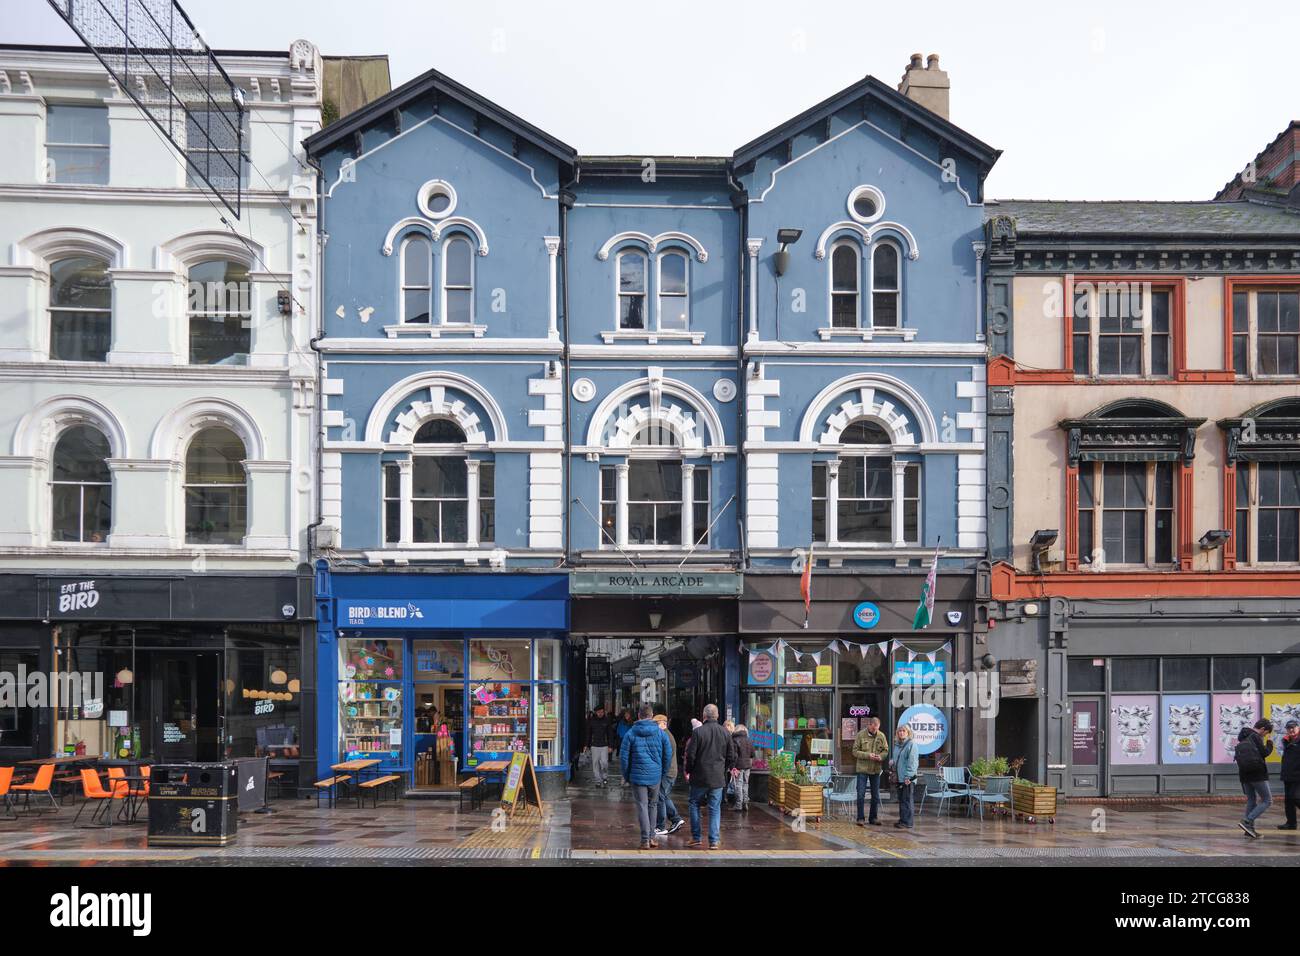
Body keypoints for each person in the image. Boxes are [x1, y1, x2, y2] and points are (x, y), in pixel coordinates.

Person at [620, 703, 672, 849]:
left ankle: (645, 840)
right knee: (653, 805)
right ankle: (652, 837)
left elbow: (624, 758)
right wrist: (662, 772)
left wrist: (627, 775)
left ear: (638, 716)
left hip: (637, 777)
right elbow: (668, 755)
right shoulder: (661, 733)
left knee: (642, 806)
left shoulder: (630, 733)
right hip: (655, 775)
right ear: (652, 716)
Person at [683, 703, 734, 849]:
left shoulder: (698, 732)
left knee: (694, 804)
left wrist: (689, 770)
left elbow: (691, 756)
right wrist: (724, 769)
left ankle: (696, 837)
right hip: (717, 778)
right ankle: (713, 841)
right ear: (717, 716)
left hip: (699, 777)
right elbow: (731, 756)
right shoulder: (725, 732)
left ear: (704, 716)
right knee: (714, 808)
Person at [1235, 717, 1274, 838]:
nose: (1265, 735)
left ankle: (1248, 829)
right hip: (1257, 773)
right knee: (1267, 800)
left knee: (1252, 799)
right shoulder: (1255, 736)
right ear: (1263, 729)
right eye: (1266, 733)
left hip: (1244, 773)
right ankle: (1247, 821)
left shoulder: (1243, 736)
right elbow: (1265, 753)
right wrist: (1269, 743)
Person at [852, 715, 889, 826]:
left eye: (877, 728)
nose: (875, 731)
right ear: (869, 725)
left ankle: (873, 818)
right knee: (860, 794)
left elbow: (885, 751)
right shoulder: (860, 735)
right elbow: (854, 751)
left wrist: (881, 757)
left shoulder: (881, 736)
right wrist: (868, 755)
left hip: (875, 769)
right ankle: (860, 818)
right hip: (862, 769)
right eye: (873, 728)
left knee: (876, 795)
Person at [653, 713, 686, 836]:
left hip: (667, 772)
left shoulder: (665, 736)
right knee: (664, 796)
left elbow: (664, 756)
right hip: (670, 771)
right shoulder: (666, 735)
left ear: (663, 723)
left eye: (656, 724)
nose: (655, 726)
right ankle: (676, 819)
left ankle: (661, 826)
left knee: (660, 797)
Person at [890, 724, 918, 830]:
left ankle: (908, 822)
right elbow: (897, 758)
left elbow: (913, 762)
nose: (901, 733)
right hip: (899, 777)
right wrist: (893, 761)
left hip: (907, 778)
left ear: (908, 732)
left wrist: (908, 777)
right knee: (901, 799)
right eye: (899, 731)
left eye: (903, 731)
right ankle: (902, 820)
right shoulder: (898, 745)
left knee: (907, 800)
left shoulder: (911, 745)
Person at [583, 702, 615, 787]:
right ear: (596, 712)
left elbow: (610, 734)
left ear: (604, 712)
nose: (600, 713)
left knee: (604, 763)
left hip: (604, 745)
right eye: (599, 712)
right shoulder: (591, 721)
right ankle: (598, 780)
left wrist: (611, 746)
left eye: (602, 711)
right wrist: (586, 745)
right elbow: (588, 734)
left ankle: (604, 777)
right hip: (594, 745)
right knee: (595, 763)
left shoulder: (607, 721)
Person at [1278, 719, 1300, 831]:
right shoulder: (1286, 741)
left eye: (1293, 727)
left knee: (1295, 797)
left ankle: (1291, 823)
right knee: (1288, 801)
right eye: (1289, 728)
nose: (1291, 730)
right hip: (1288, 775)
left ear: (1298, 727)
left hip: (1298, 775)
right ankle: (1291, 823)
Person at [730, 723, 755, 812]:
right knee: (745, 784)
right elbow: (752, 754)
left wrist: (732, 767)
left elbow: (734, 755)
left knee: (738, 785)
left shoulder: (734, 740)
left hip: (738, 766)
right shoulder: (749, 740)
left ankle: (738, 804)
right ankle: (745, 802)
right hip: (747, 766)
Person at [614, 708, 635, 787]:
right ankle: (624, 778)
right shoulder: (621, 723)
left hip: (631, 745)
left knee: (630, 763)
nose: (627, 715)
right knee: (624, 762)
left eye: (628, 714)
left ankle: (629, 779)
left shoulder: (633, 724)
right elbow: (618, 733)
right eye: (625, 714)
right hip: (623, 744)